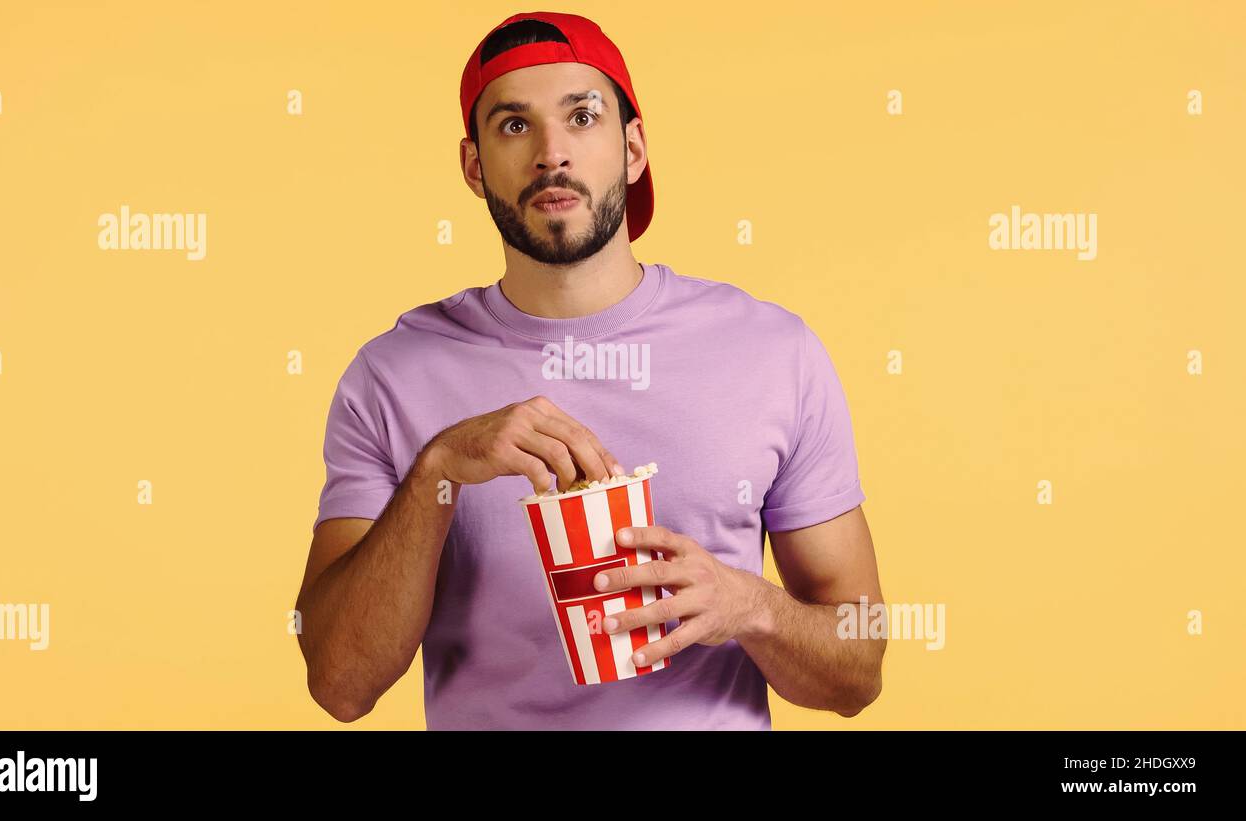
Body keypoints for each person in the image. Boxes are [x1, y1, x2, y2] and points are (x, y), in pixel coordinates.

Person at [294, 11, 885, 729]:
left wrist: (748, 605)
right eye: (514, 125)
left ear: (632, 148)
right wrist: (438, 469)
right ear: (474, 166)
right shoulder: (390, 376)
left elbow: (858, 671)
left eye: (582, 116)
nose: (552, 153)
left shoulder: (772, 351)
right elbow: (338, 682)